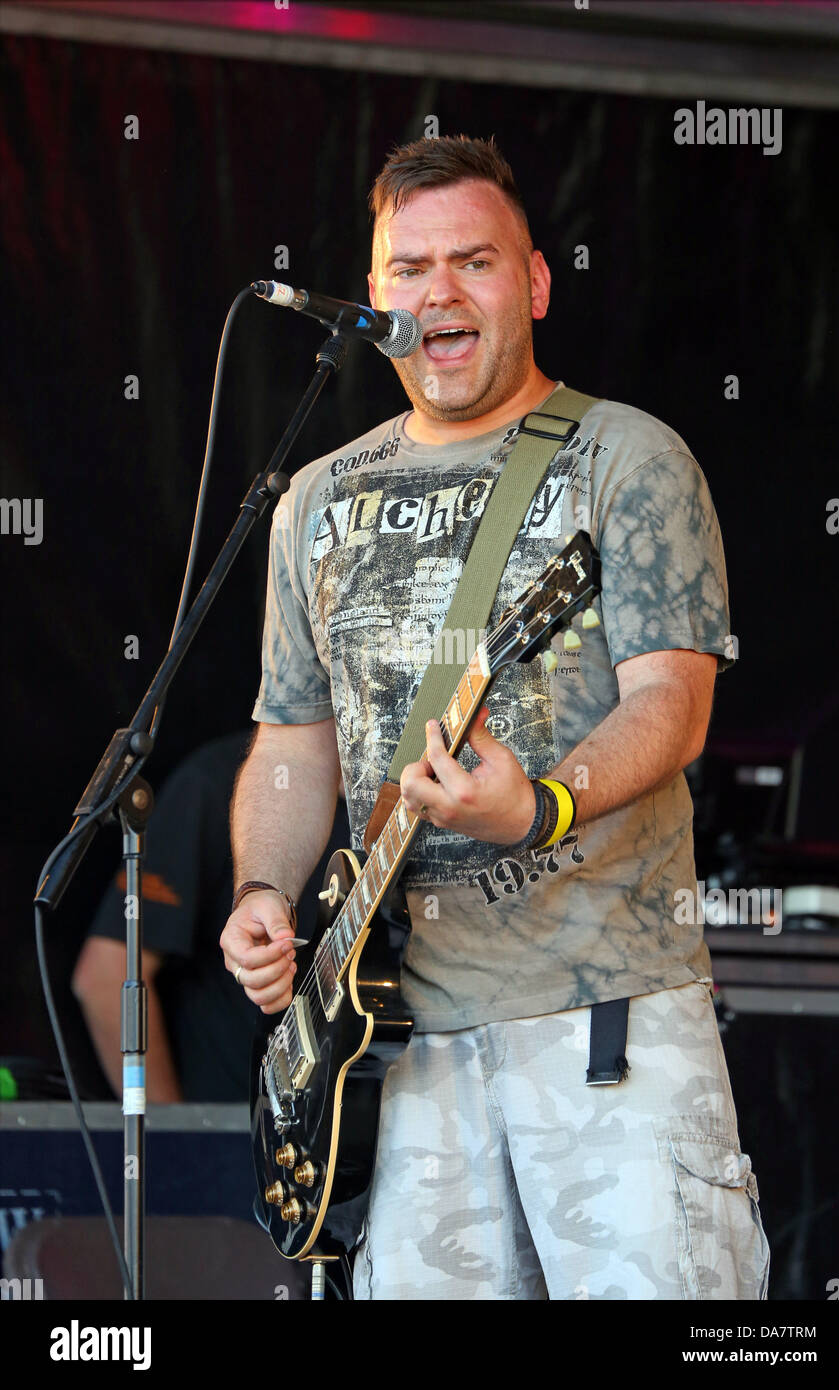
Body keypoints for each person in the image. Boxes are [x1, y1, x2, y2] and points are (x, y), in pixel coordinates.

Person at [220, 135, 770, 1300]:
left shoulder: (624, 458)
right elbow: (290, 742)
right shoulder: (313, 500)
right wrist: (265, 894)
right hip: (398, 1042)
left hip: (605, 1016)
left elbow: (671, 703)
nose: (440, 293)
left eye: (473, 260)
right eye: (410, 267)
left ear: (534, 281)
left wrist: (546, 800)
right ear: (375, 301)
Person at [74, 731, 349, 1103]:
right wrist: (176, 1139)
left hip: (369, 1120)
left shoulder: (413, 791)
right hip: (231, 1132)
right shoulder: (213, 782)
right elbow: (106, 977)